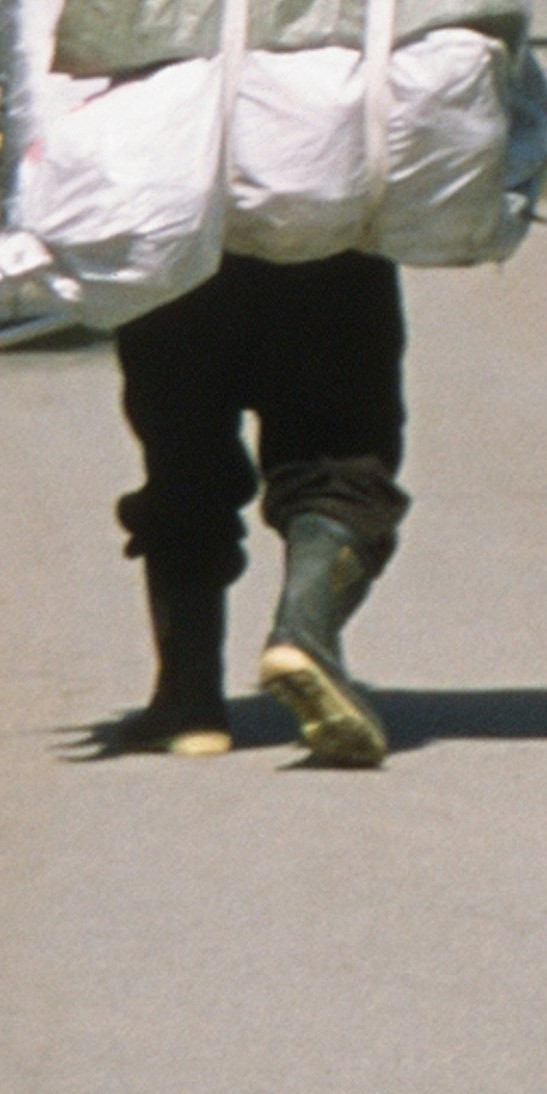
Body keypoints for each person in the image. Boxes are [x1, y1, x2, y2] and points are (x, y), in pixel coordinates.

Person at [109, 247, 408, 766]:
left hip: (167, 252)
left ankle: (188, 703)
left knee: (186, 466)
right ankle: (304, 634)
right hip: (327, 252)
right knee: (337, 464)